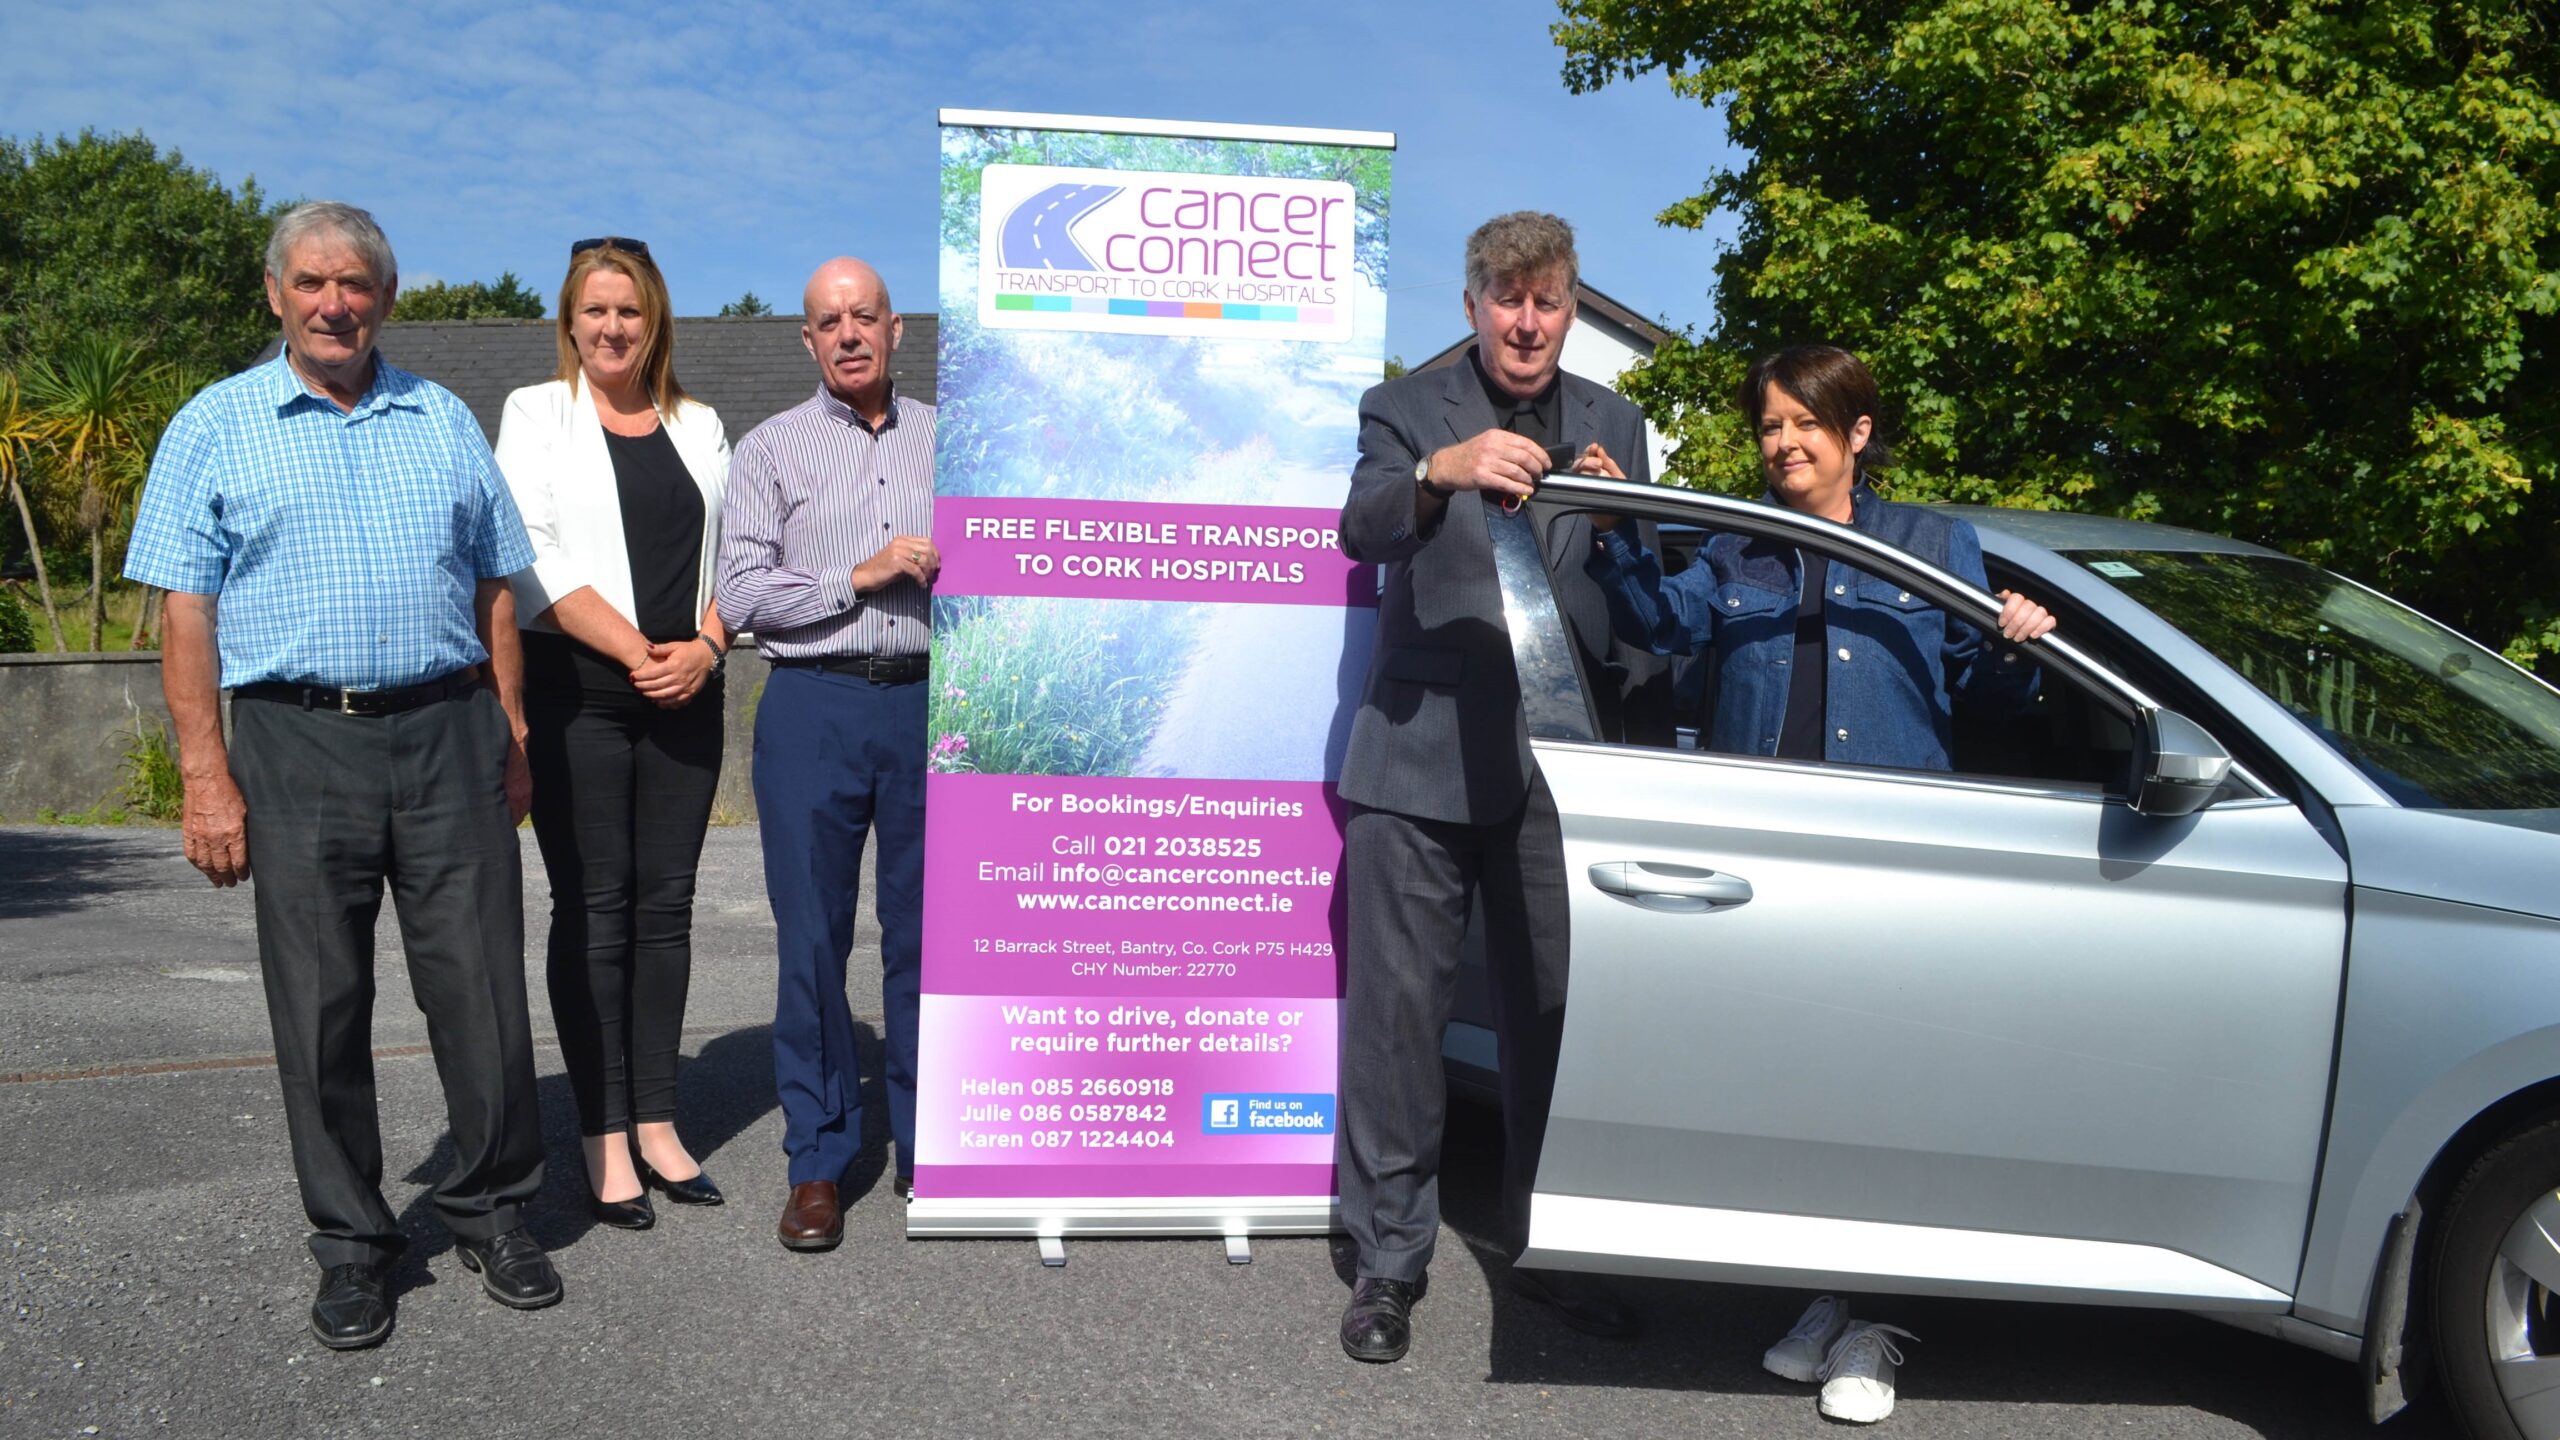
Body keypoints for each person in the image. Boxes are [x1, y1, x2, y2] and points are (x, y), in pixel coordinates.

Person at [1587, 343, 2054, 1423]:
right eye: (1769, 426)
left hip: (1896, 861)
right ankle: (1823, 1296)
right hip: (1773, 861)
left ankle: (1876, 1330)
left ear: (1855, 434)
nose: (1784, 442)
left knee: (1894, 1097)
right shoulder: (1744, 548)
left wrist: (2017, 642)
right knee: (1800, 1090)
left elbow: (1983, 692)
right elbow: (1661, 622)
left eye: (1806, 422)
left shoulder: (1932, 544)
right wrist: (1618, 533)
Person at [124, 200, 560, 1351]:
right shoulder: (213, 424)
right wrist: (204, 776)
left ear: (385, 297)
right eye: (312, 282)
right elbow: (185, 610)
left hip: (450, 729)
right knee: (320, 1006)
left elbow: (496, 588)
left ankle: (489, 1205)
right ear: (275, 294)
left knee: (480, 991)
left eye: (355, 284)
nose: (334, 303)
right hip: (295, 739)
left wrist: (510, 733)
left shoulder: (443, 418)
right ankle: (355, 1242)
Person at [1332, 211, 1643, 1364]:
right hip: (1414, 760)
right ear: (1471, 306)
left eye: (1547, 300)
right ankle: (1387, 1263)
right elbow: (1359, 529)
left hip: (1559, 774)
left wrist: (1627, 519)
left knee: (1558, 1022)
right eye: (1505, 300)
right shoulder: (1408, 408)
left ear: (1570, 307)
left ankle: (1552, 1255)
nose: (1527, 322)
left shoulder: (1619, 423)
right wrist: (1436, 472)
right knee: (1399, 1029)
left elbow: (1650, 588)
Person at [494, 236, 732, 1231]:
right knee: (592, 908)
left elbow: (739, 556)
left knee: (666, 908)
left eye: (628, 311)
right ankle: (601, 1133)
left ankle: (659, 1121)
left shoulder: (703, 423)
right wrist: (643, 649)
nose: (611, 328)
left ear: (655, 319)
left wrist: (708, 647)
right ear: (570, 320)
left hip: (689, 690)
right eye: (595, 311)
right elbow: (527, 555)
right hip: (581, 691)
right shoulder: (534, 414)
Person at [716, 256, 936, 1253]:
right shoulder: (770, 449)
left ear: (896, 329)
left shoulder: (955, 444)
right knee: (811, 942)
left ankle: (932, 1142)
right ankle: (817, 1160)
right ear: (806, 342)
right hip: (811, 705)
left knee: (927, 939)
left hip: (936, 706)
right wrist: (861, 573)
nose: (848, 334)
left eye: (865, 316)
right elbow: (746, 596)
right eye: (826, 322)